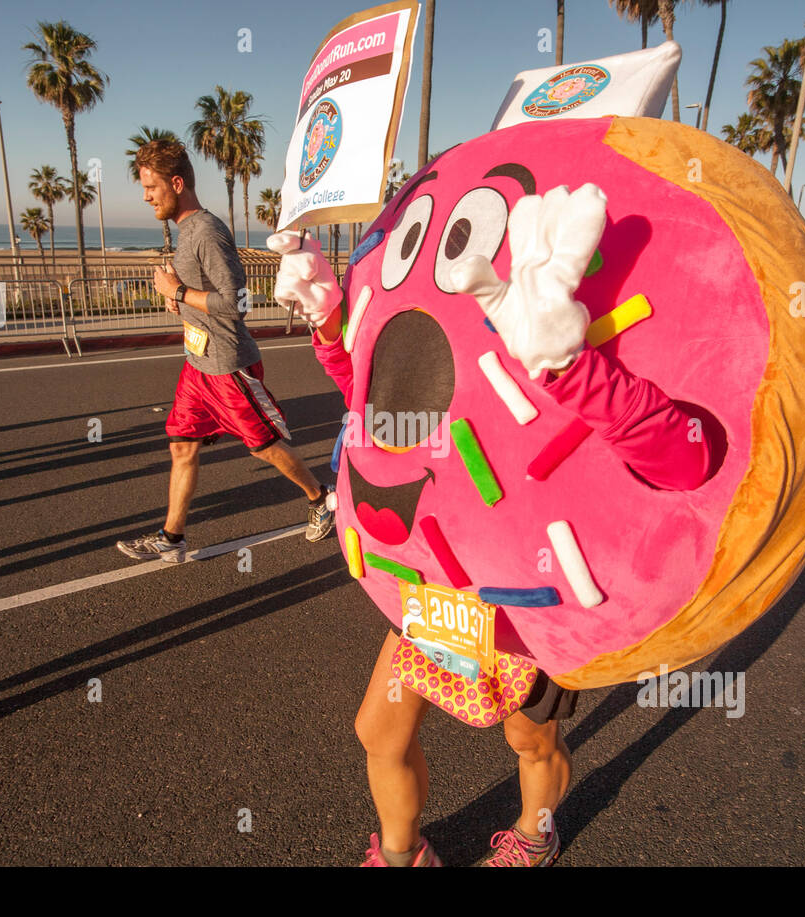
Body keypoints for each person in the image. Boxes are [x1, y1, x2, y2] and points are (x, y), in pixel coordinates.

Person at [271, 191, 716, 866]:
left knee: (531, 741)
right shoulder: (427, 319)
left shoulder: (546, 313)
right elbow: (377, 399)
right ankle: (401, 856)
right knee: (380, 731)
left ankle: (536, 836)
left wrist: (566, 363)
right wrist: (332, 327)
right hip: (434, 581)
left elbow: (687, 461)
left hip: (525, 585)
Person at [116, 140, 335, 562]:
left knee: (262, 444)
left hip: (227, 365)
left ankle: (319, 496)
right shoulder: (186, 232)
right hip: (199, 364)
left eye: (152, 187)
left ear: (177, 183)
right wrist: (177, 299)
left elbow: (237, 302)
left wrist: (177, 290)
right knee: (182, 445)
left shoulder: (207, 232)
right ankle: (172, 537)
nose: (146, 197)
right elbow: (205, 295)